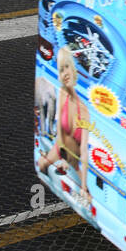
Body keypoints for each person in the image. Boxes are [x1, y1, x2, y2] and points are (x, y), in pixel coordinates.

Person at [37, 46, 92, 207]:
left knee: (43, 163)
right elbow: (61, 135)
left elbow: (83, 151)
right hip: (63, 148)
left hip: (70, 153)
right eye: (61, 69)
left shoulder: (83, 109)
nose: (64, 73)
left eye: (67, 67)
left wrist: (83, 186)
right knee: (41, 164)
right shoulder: (62, 93)